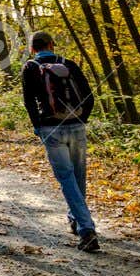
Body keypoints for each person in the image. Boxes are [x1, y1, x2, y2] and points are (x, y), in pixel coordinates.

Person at [21, 30, 99, 252]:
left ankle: (86, 229)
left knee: (66, 178)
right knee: (78, 176)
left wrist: (38, 126)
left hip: (51, 128)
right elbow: (89, 97)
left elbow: (29, 101)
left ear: (33, 48)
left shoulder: (30, 68)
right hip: (76, 126)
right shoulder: (70, 64)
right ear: (51, 44)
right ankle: (77, 220)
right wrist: (81, 119)